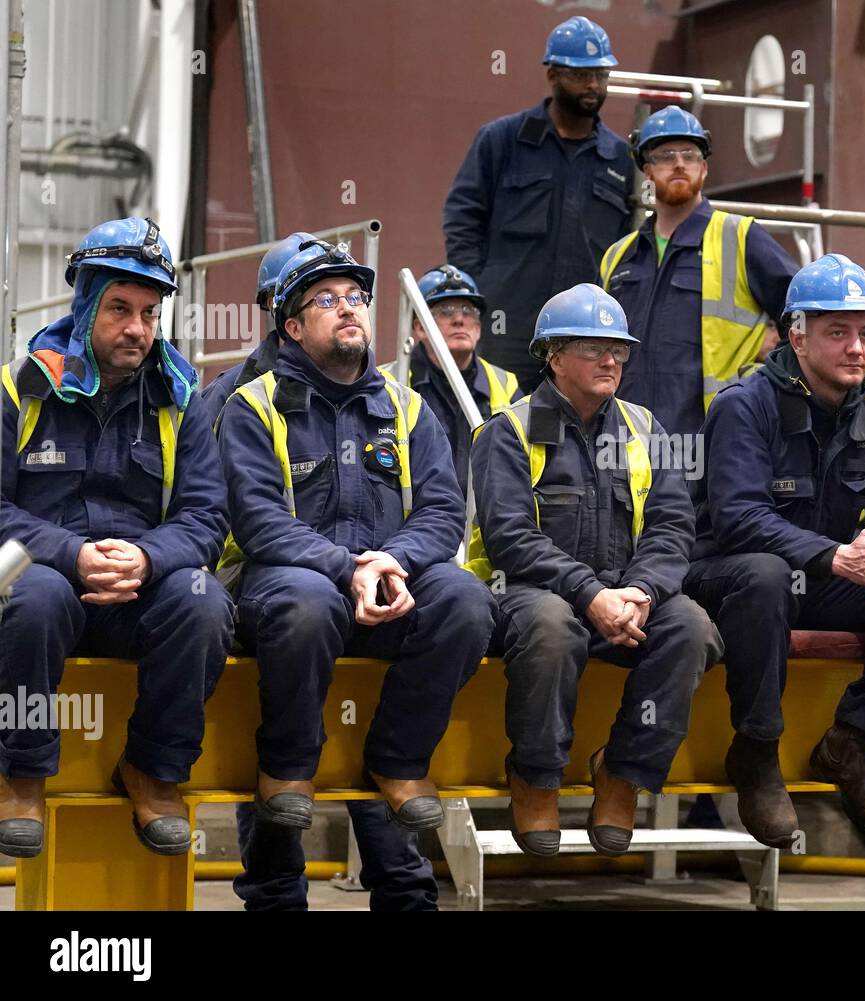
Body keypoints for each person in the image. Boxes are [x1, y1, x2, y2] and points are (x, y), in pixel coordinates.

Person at [216, 240, 496, 909]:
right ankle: (285, 785)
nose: (349, 309)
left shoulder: (405, 407)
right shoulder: (248, 406)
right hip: (286, 591)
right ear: (290, 324)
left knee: (464, 597)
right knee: (308, 602)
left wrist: (392, 562)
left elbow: (441, 509)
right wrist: (349, 569)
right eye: (328, 299)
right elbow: (257, 522)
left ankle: (399, 761)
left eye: (357, 298)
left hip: (384, 588)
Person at [683, 254, 865, 848]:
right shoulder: (744, 405)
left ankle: (853, 741)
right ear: (797, 336)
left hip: (825, 576)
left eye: (864, 333)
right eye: (839, 332)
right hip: (731, 580)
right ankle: (757, 752)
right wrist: (836, 556)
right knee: (763, 575)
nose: (858, 348)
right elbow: (737, 519)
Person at [0, 217, 233, 859]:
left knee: (203, 598)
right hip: (44, 579)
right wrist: (70, 554)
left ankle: (152, 772)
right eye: (120, 309)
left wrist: (149, 556)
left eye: (150, 313)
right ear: (84, 307)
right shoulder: (19, 389)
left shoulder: (182, 401)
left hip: (140, 586)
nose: (137, 328)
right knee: (34, 592)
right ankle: (21, 776)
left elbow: (206, 516)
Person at [468, 283, 721, 857]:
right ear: (554, 358)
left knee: (692, 628)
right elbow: (510, 539)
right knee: (553, 627)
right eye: (593, 348)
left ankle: (624, 770)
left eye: (619, 350)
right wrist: (590, 595)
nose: (611, 361)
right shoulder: (507, 431)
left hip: (628, 594)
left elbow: (673, 526)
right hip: (530, 595)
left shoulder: (644, 428)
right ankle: (536, 777)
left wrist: (639, 591)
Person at [443, 16, 632, 390]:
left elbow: (628, 247)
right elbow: (462, 218)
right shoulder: (503, 141)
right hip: (506, 327)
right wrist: (482, 294)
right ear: (553, 75)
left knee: (572, 438)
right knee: (497, 428)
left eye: (601, 75)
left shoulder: (620, 159)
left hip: (584, 334)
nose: (593, 85)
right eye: (581, 75)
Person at [599, 106, 797, 435]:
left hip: (715, 437)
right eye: (665, 155)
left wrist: (768, 378)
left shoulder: (740, 237)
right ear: (647, 171)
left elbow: (807, 318)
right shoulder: (618, 257)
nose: (678, 163)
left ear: (703, 169)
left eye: (689, 155)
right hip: (626, 440)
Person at [387, 266, 520, 495]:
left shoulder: (507, 385)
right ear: (420, 327)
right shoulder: (388, 383)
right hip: (417, 523)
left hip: (483, 526)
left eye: (468, 311)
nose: (459, 319)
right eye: (445, 311)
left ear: (478, 328)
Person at [198, 231, 313, 424]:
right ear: (273, 304)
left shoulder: (367, 388)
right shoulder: (227, 393)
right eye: (321, 297)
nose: (341, 308)